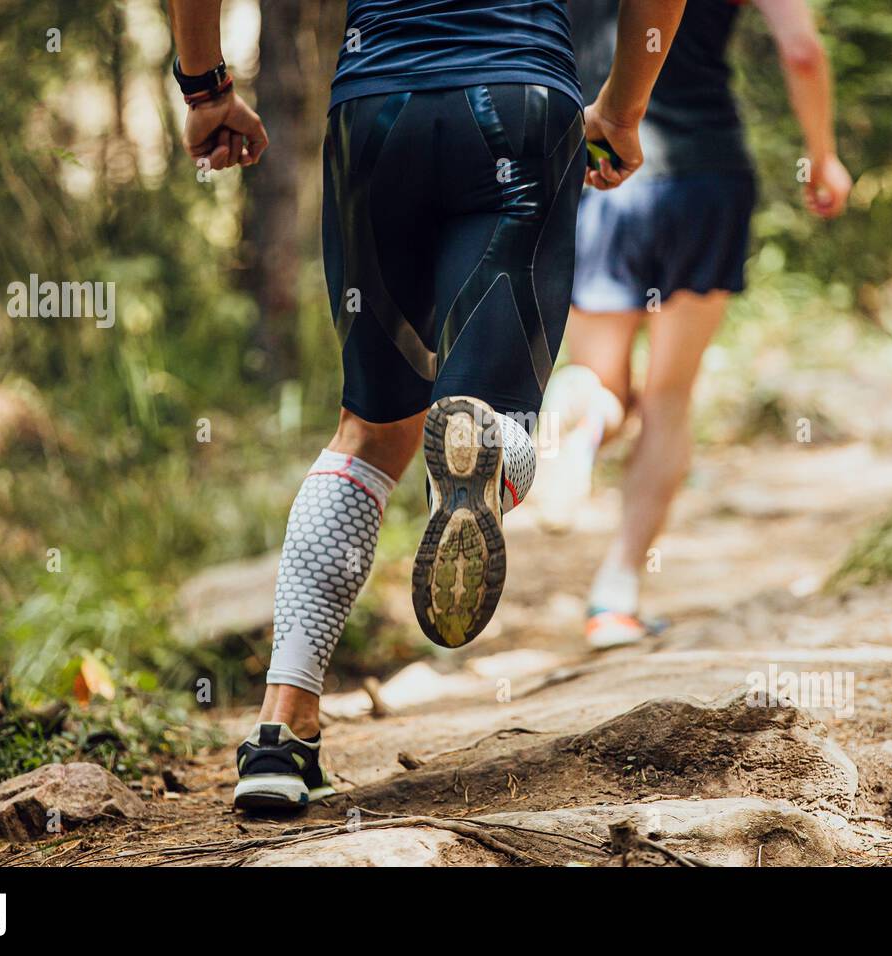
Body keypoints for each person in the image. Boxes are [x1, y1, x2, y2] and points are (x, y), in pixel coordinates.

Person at [165, 0, 688, 810]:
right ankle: (487, 445)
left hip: (377, 109)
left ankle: (281, 731)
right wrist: (622, 106)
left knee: (368, 434)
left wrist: (204, 88)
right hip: (521, 104)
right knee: (496, 410)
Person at [538, 0, 854, 649]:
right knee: (668, 398)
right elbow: (802, 51)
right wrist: (822, 156)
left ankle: (584, 418)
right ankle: (616, 597)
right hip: (704, 175)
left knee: (605, 385)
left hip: (596, 167)